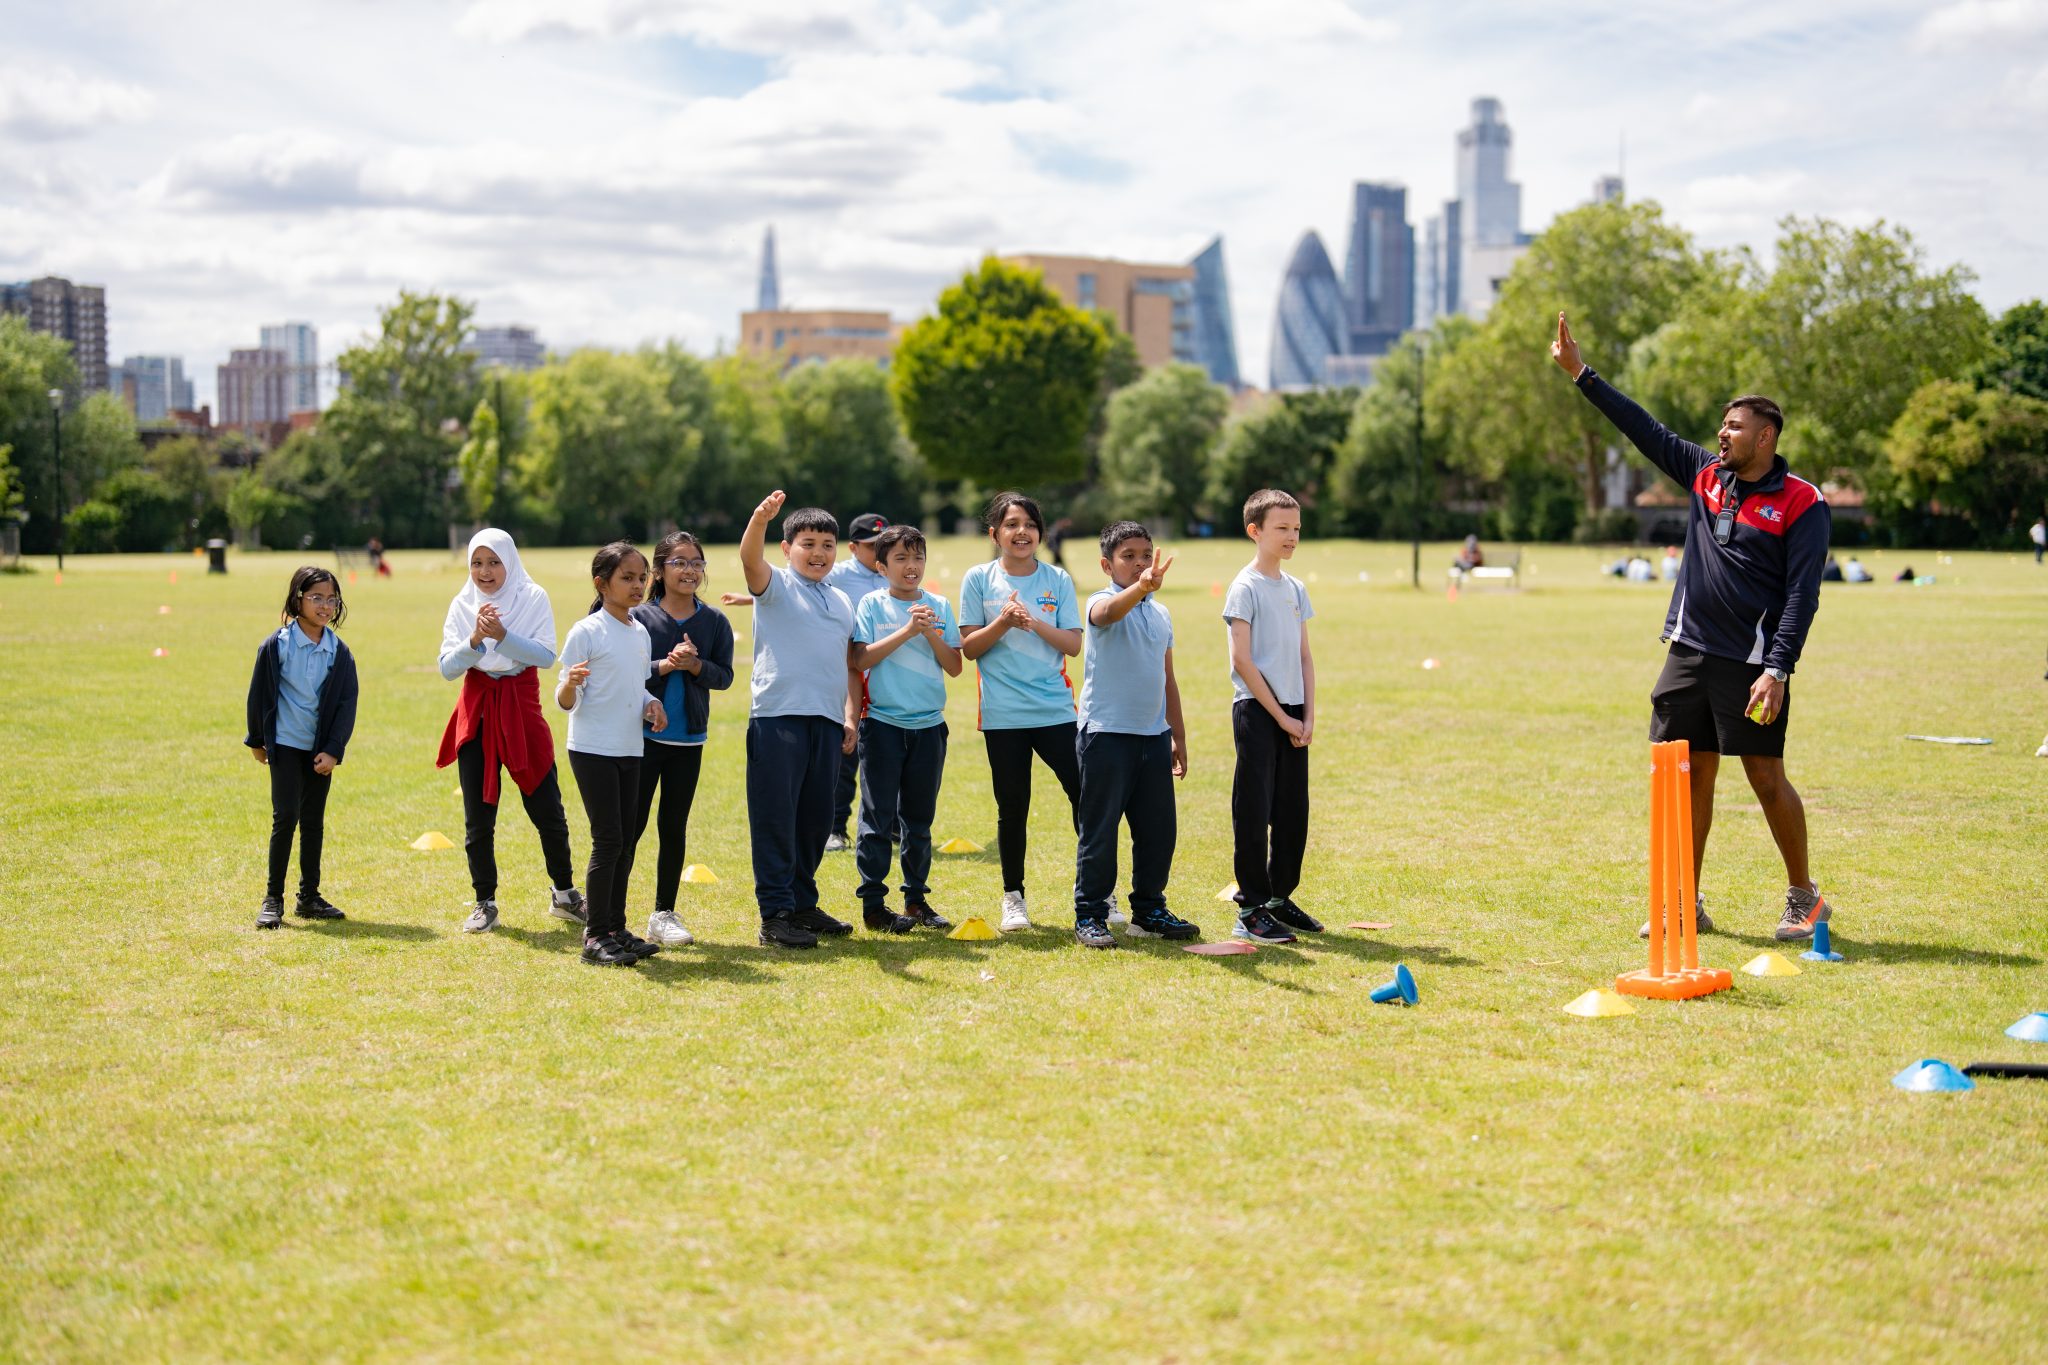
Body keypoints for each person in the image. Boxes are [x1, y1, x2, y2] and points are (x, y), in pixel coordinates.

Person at [1554, 312, 1834, 942]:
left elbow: (1802, 594)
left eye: (1734, 427)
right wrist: (1581, 374)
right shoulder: (1707, 477)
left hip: (1752, 662)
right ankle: (1684, 901)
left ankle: (1804, 897)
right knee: (1687, 772)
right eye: (1723, 425)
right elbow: (1644, 430)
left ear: (1766, 437)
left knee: (1764, 776)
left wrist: (1778, 668)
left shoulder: (1803, 502)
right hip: (1687, 652)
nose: (1722, 434)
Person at [437, 529, 587, 935]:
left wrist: (501, 636)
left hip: (521, 705)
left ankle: (565, 894)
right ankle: (484, 902)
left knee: (547, 809)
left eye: (493, 562)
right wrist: (475, 640)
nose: (484, 572)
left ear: (510, 562)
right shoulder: (462, 603)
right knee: (478, 818)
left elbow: (543, 654)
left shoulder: (532, 597)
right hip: (478, 708)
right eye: (477, 563)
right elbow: (448, 667)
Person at [958, 491, 1091, 932]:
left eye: (1030, 524)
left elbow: (1073, 644)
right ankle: (1013, 898)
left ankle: (1099, 893)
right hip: (1004, 715)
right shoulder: (979, 579)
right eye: (1012, 524)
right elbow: (970, 649)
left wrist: (1033, 622)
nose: (1022, 532)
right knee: (1012, 806)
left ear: (1041, 532)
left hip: (1055, 710)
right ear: (995, 533)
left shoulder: (1057, 579)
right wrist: (1004, 621)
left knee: (1085, 795)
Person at [739, 492, 865, 948]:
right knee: (777, 818)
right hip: (778, 719)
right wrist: (759, 520)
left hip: (827, 723)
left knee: (814, 820)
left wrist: (849, 717)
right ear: (786, 549)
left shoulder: (840, 601)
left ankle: (803, 904)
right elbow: (749, 559)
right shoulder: (776, 587)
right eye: (807, 543)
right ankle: (775, 915)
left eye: (828, 544)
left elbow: (848, 664)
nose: (818, 553)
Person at [1071, 522, 1194, 948]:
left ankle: (1148, 910)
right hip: (1106, 735)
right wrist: (1140, 587)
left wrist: (1176, 735)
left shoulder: (1160, 612)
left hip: (1152, 736)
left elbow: (1168, 678)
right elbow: (1107, 616)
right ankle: (1090, 913)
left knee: (1159, 830)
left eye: (1146, 554)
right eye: (1129, 555)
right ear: (1107, 564)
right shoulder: (1100, 601)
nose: (1141, 562)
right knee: (1100, 830)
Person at [556, 543, 672, 968]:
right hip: (592, 749)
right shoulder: (587, 631)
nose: (638, 585)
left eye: (642, 577)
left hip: (630, 748)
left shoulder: (639, 630)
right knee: (608, 841)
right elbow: (565, 699)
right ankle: (595, 936)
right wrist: (570, 684)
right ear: (601, 584)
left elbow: (634, 684)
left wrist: (649, 704)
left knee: (625, 842)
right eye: (627, 578)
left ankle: (616, 928)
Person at [848, 524, 962, 933]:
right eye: (900, 558)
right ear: (881, 566)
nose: (911, 566)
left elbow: (954, 666)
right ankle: (874, 905)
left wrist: (929, 631)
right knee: (877, 818)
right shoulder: (871, 606)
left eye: (917, 558)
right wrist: (907, 630)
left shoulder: (940, 606)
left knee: (919, 821)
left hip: (929, 728)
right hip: (882, 727)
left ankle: (916, 900)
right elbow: (860, 660)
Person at [1224, 489, 1321, 946]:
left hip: (1293, 713)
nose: (1291, 536)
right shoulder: (1245, 587)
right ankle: (1251, 908)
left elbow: (1304, 655)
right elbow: (1243, 660)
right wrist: (1281, 717)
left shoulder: (1295, 588)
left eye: (1296, 528)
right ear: (1255, 531)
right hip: (1258, 711)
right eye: (1281, 528)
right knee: (1254, 808)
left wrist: (1307, 715)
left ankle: (1280, 898)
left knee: (1291, 811)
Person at [630, 530, 735, 948]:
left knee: (673, 827)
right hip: (639, 739)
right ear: (659, 570)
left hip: (688, 741)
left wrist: (695, 667)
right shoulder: (638, 618)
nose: (690, 570)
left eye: (697, 563)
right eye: (680, 562)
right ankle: (607, 910)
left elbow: (724, 676)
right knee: (628, 827)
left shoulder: (713, 622)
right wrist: (665, 666)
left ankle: (663, 912)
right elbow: (626, 673)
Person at [244, 565, 358, 930]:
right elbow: (258, 695)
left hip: (318, 751)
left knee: (313, 823)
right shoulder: (276, 645)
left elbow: (345, 704)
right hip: (284, 745)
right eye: (316, 598)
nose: (324, 606)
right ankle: (272, 899)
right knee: (285, 818)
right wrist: (257, 740)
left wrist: (333, 749)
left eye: (331, 599)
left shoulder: (339, 653)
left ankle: (308, 896)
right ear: (298, 600)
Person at [824, 512, 893, 851]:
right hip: (846, 675)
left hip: (886, 676)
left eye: (884, 543)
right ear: (852, 547)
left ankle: (889, 826)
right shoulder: (836, 576)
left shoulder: (894, 572)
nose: (879, 550)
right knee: (845, 755)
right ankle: (835, 828)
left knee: (885, 755)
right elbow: (801, 589)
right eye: (871, 546)